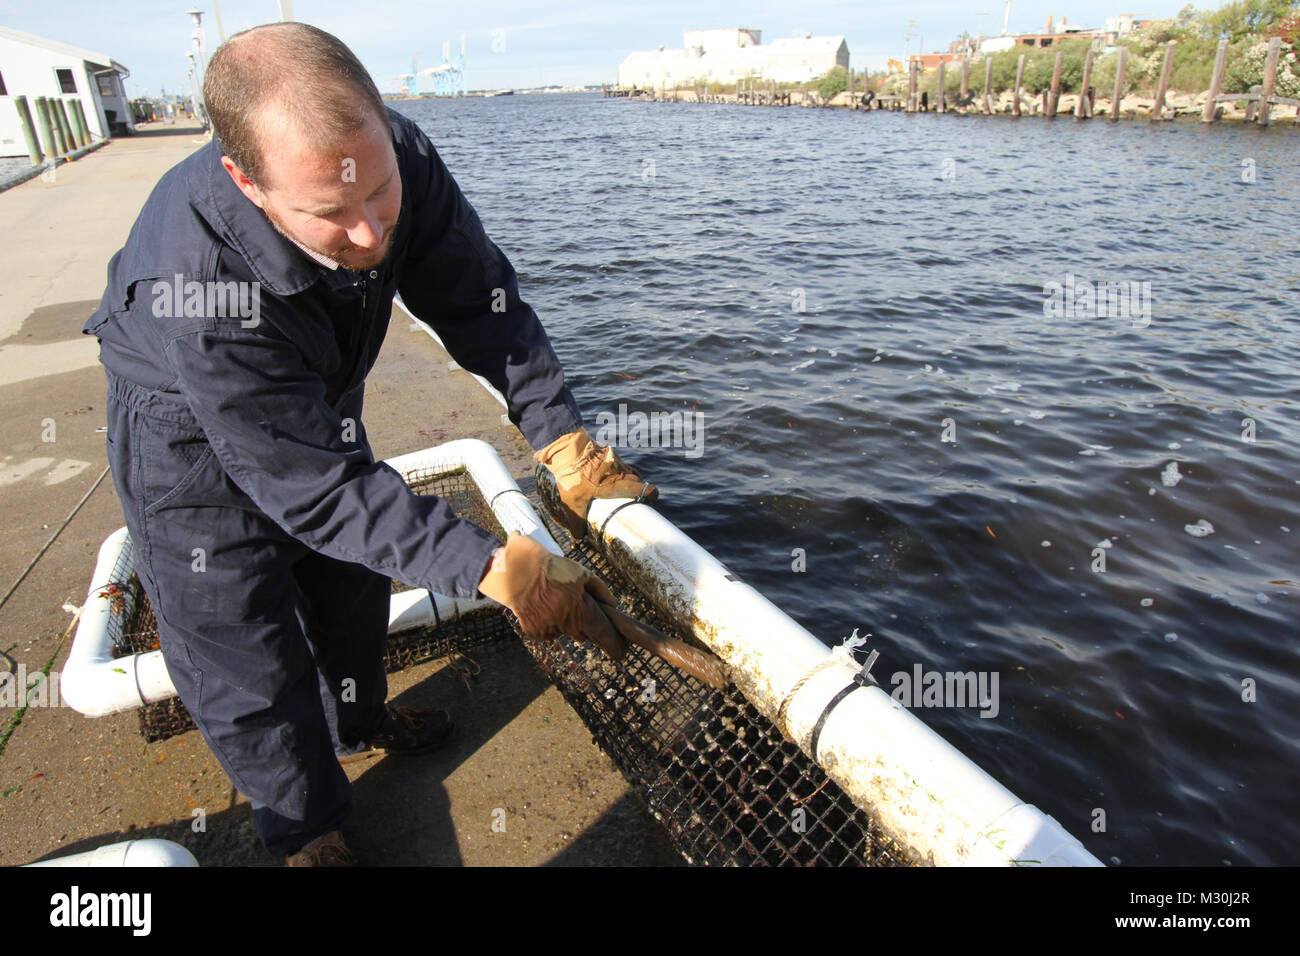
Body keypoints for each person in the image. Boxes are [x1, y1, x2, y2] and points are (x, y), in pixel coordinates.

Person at [82, 21, 656, 866]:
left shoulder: (396, 156)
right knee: (240, 640)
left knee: (348, 581)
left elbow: (478, 301)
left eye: (377, 193)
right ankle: (307, 826)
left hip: (311, 383)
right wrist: (500, 569)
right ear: (246, 181)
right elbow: (313, 488)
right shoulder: (198, 284)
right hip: (183, 432)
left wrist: (561, 437)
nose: (367, 234)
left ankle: (357, 718)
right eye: (329, 214)